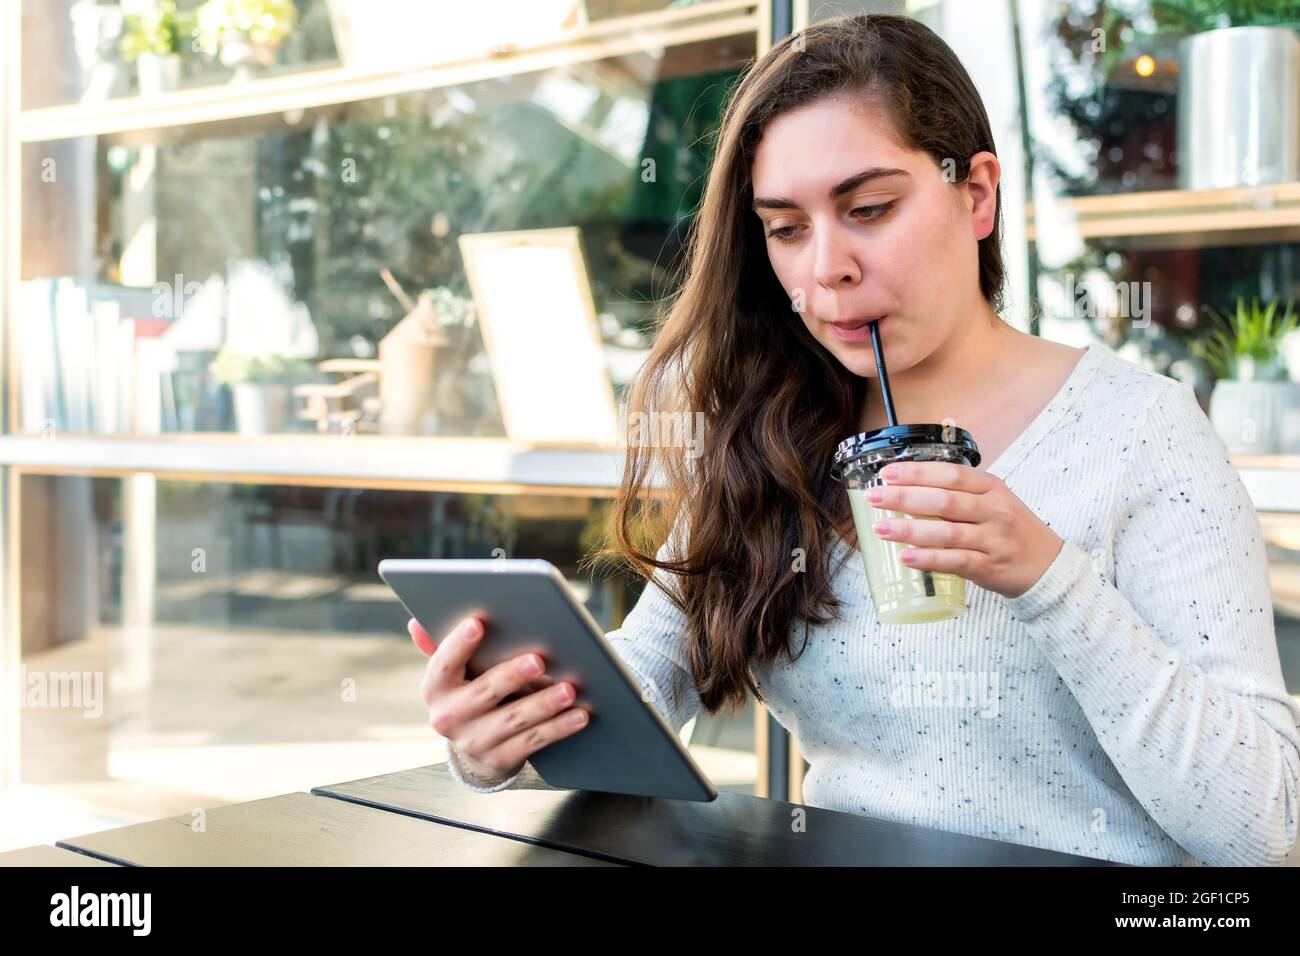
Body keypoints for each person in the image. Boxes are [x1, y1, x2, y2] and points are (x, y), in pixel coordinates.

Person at [410, 14, 1300, 866]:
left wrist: (1046, 575)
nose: (826, 267)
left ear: (977, 194)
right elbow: (647, 679)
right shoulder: (774, 430)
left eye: (869, 208)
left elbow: (1264, 826)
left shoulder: (1140, 432)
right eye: (787, 229)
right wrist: (507, 735)